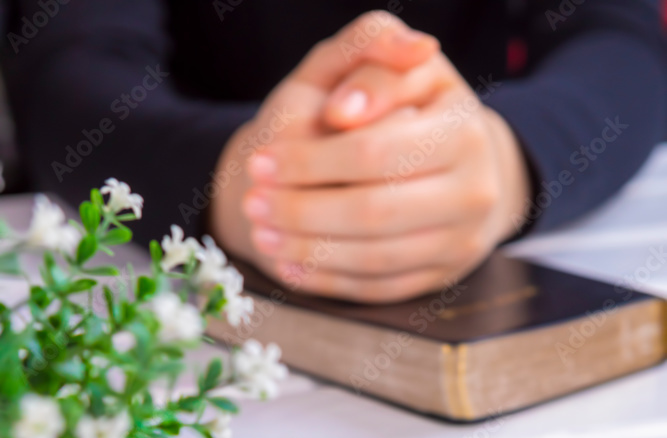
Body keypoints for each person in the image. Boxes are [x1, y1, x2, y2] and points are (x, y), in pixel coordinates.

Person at [2, 1, 666, 302]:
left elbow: (623, 43)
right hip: (194, 273)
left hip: (469, 191)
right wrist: (239, 177)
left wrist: (507, 156)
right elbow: (71, 68)